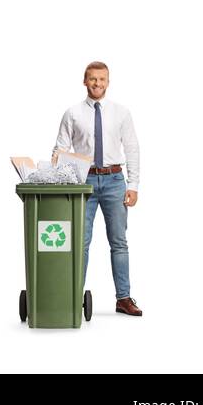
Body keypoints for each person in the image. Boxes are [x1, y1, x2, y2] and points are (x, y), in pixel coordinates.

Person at [53, 61, 142, 316]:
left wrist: (133, 185)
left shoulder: (121, 113)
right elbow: (60, 149)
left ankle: (123, 298)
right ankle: (73, 297)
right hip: (85, 183)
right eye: (93, 79)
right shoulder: (72, 113)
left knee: (119, 242)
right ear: (85, 81)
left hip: (115, 180)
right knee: (80, 242)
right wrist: (59, 180)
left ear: (108, 82)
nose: (97, 84)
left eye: (102, 79)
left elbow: (132, 148)